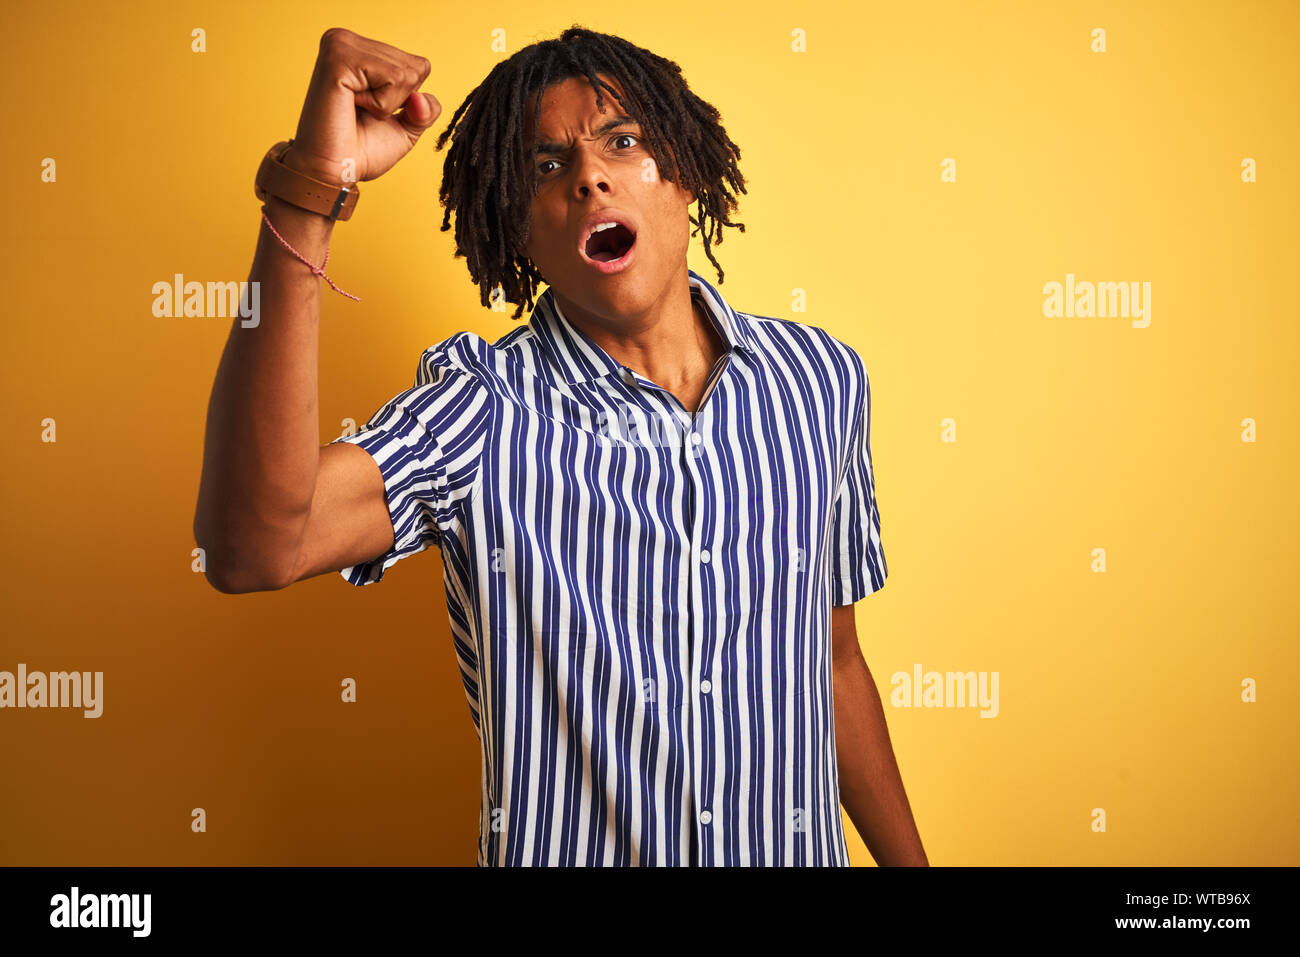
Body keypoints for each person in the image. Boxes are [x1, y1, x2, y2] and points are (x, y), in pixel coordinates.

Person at [193, 25, 927, 867]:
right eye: (548, 167)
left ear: (683, 176)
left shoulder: (819, 385)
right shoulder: (477, 411)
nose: (589, 175)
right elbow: (251, 548)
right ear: (523, 235)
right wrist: (310, 190)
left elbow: (832, 666)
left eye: (623, 141)